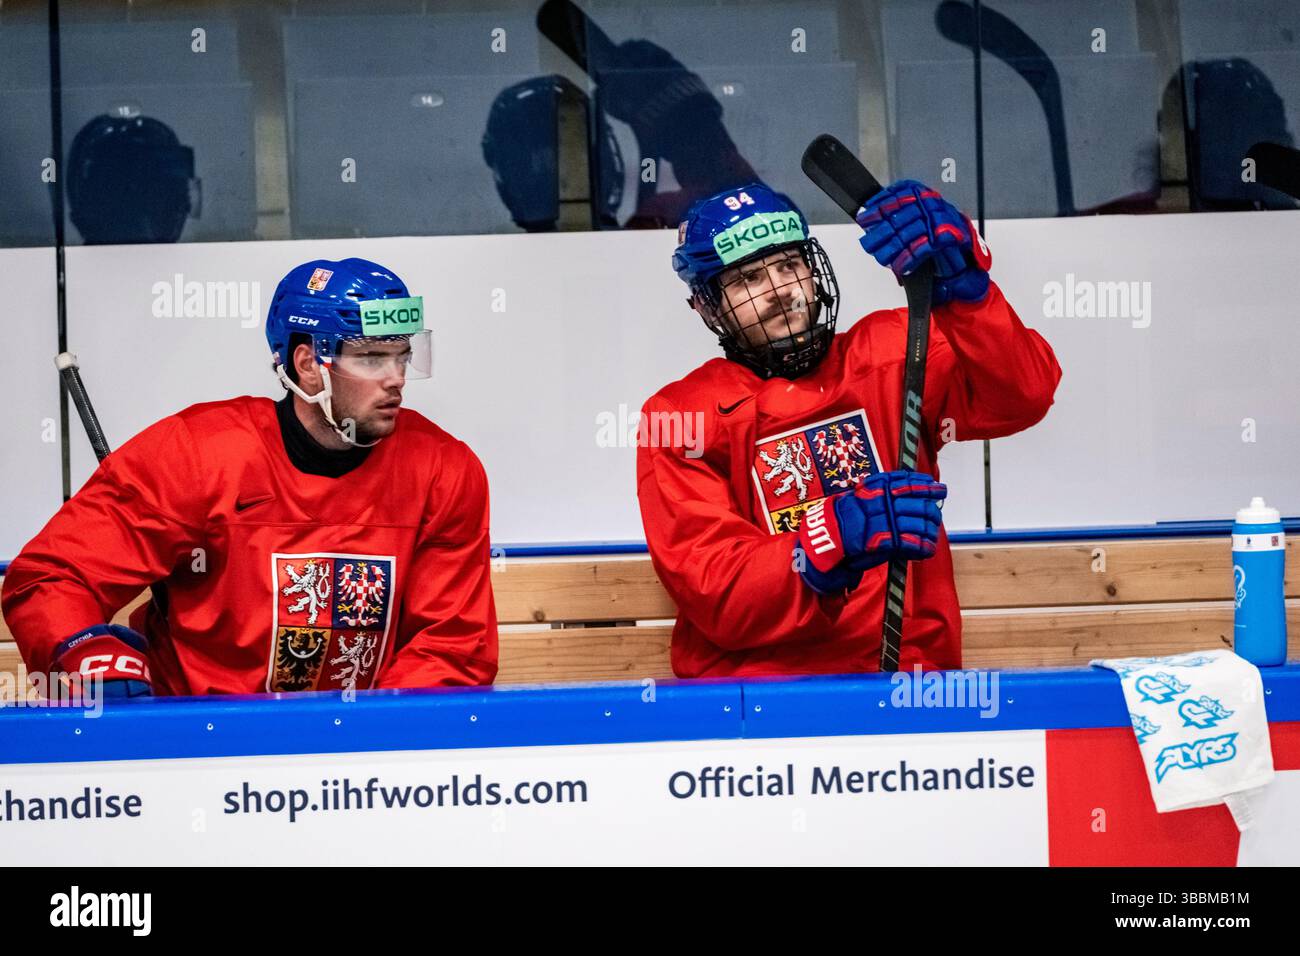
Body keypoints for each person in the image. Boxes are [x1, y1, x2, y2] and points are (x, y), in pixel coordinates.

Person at [2, 258, 498, 696]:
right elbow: (52, 576)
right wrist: (84, 651)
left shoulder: (443, 471)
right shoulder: (196, 455)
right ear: (309, 365)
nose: (396, 377)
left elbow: (452, 644)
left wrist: (361, 741)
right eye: (371, 358)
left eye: (402, 354)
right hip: (199, 746)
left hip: (355, 763)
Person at [637, 181, 1061, 677]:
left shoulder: (896, 351)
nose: (780, 292)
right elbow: (719, 593)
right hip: (764, 707)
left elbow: (1023, 395)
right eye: (749, 279)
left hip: (911, 688)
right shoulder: (679, 417)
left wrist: (968, 292)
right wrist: (829, 539)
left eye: (790, 266)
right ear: (707, 308)